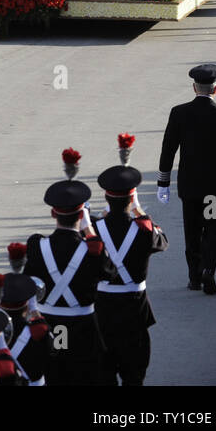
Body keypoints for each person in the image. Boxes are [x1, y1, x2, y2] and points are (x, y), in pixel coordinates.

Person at [158, 64, 216, 295]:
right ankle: (209, 270)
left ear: (194, 87)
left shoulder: (179, 113)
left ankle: (194, 277)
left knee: (192, 233)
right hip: (215, 190)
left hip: (191, 187)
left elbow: (168, 149)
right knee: (213, 229)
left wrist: (163, 183)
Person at [23, 180, 112, 385]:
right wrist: (89, 231)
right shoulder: (93, 251)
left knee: (54, 376)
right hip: (84, 328)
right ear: (82, 216)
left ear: (53, 214)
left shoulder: (37, 246)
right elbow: (110, 273)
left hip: (50, 324)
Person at [93, 161, 167, 385]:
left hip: (102, 310)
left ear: (106, 198)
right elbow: (162, 241)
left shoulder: (94, 229)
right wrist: (140, 211)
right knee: (134, 374)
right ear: (132, 197)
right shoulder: (144, 231)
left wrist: (102, 214)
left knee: (103, 374)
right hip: (134, 309)